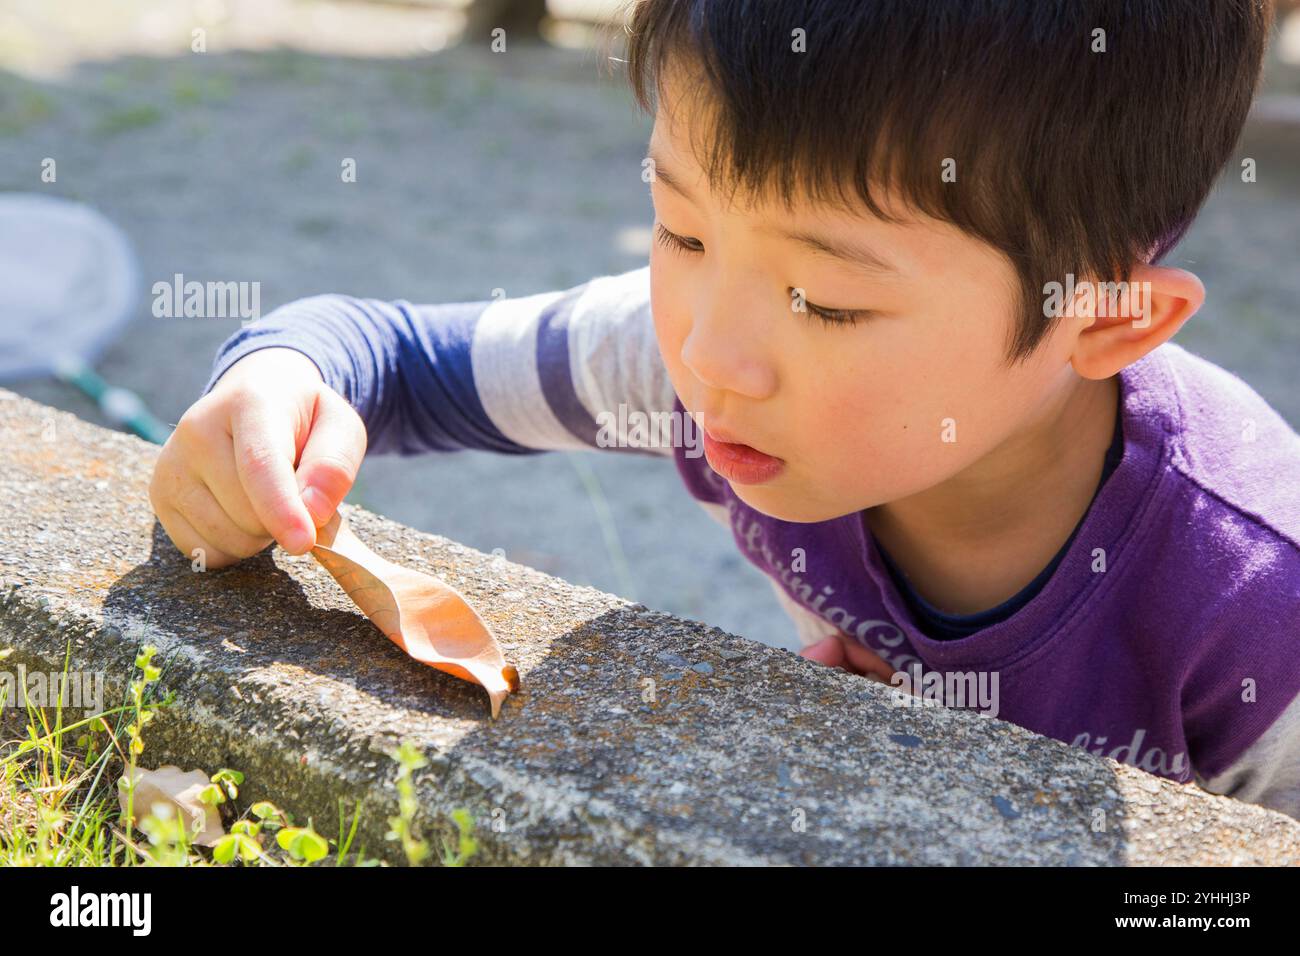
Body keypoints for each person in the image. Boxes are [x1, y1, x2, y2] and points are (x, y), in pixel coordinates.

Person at [150, 1, 1300, 820]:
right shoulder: (679, 365)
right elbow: (392, 356)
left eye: (829, 300)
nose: (709, 353)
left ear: (1101, 320)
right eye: (682, 230)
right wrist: (276, 388)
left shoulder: (1255, 600)